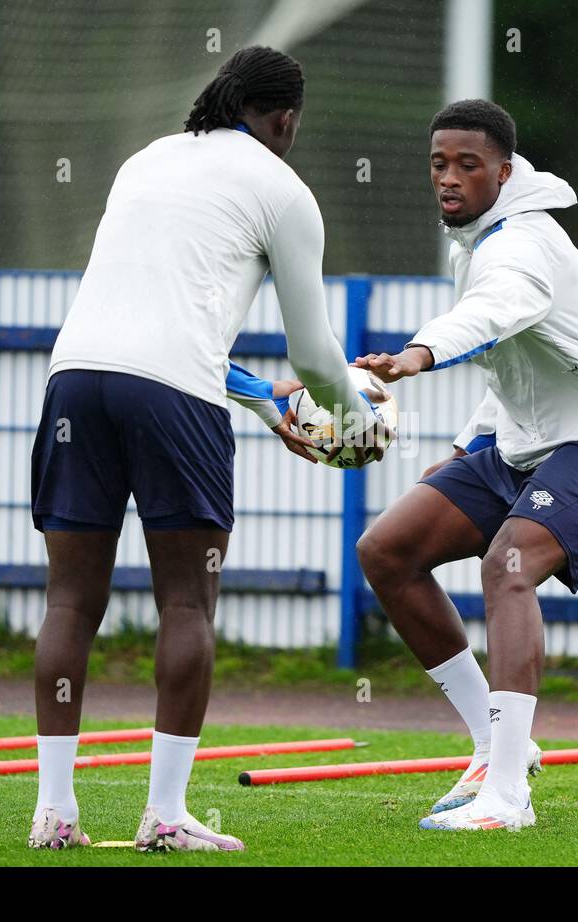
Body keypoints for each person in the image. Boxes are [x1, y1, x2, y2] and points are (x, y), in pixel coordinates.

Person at [28, 46, 387, 852]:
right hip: (174, 397)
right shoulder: (285, 192)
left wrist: (262, 402)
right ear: (286, 118)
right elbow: (317, 358)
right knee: (186, 603)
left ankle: (54, 813)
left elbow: (151, 322)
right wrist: (356, 423)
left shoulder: (145, 161)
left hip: (75, 380)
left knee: (68, 603)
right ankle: (164, 815)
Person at [354, 99, 578, 832]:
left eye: (468, 164)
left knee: (509, 567)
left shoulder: (522, 245)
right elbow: (517, 371)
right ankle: (498, 745)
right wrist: (468, 447)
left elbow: (491, 315)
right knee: (388, 552)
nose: (450, 178)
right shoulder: (478, 240)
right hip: (520, 443)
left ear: (504, 170)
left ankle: (506, 798)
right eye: (439, 163)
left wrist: (417, 353)